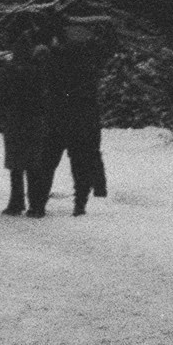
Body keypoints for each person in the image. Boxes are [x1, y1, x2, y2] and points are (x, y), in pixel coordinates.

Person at [45, 18, 110, 214]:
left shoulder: (56, 59)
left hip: (58, 116)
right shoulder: (90, 62)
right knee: (81, 162)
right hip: (84, 118)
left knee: (48, 161)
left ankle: (38, 203)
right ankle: (80, 203)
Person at [0, 29, 54, 216]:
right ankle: (36, 205)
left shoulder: (9, 71)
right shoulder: (37, 71)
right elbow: (45, 97)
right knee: (33, 165)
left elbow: (0, 97)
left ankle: (16, 202)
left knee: (15, 165)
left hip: (13, 121)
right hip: (34, 121)